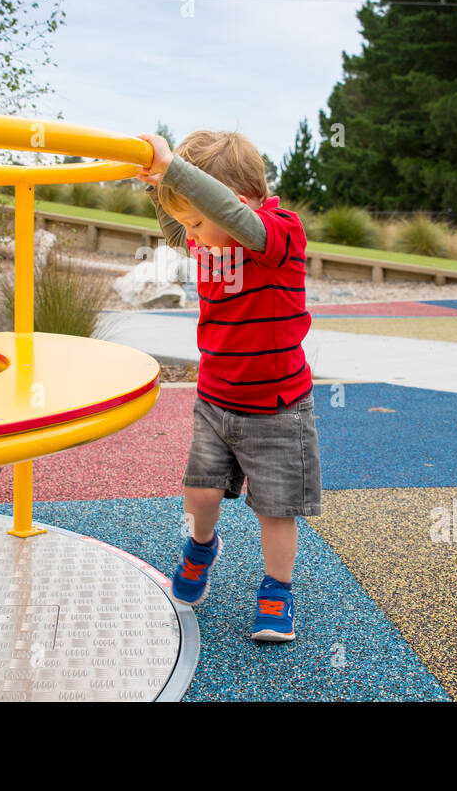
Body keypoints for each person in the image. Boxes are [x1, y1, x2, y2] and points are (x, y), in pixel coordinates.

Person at [135, 129, 322, 643]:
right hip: (216, 401)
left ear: (236, 203)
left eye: (198, 222)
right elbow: (180, 226)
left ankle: (278, 588)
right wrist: (156, 184)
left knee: (275, 509)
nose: (190, 236)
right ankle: (201, 546)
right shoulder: (211, 242)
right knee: (199, 493)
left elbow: (232, 217)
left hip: (278, 407)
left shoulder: (279, 234)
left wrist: (173, 169)